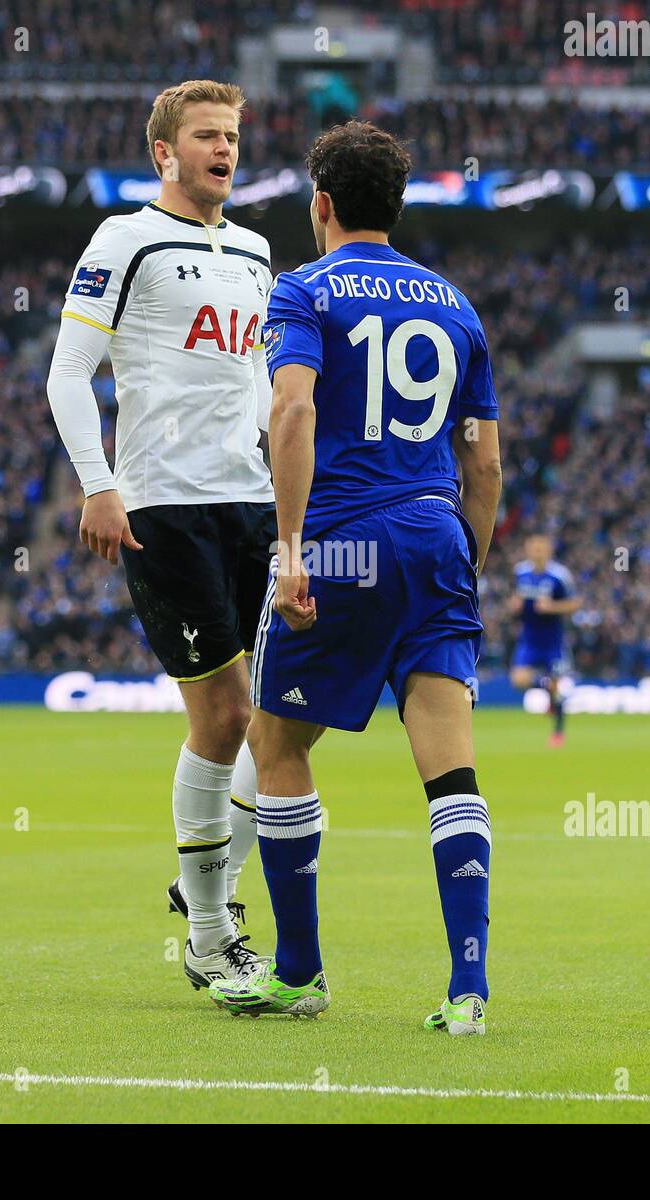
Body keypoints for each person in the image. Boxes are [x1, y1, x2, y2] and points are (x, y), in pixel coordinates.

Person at [208, 121, 503, 1035]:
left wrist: (292, 547)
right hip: (437, 535)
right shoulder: (456, 305)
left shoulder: (301, 291)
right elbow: (485, 465)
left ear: (322, 204)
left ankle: (299, 973)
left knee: (277, 743)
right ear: (397, 207)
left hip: (339, 543)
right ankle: (468, 990)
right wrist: (465, 564)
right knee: (451, 770)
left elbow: (291, 410)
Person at [45, 80, 275, 991]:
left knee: (283, 722)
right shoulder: (125, 241)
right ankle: (212, 932)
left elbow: (256, 379)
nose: (223, 149)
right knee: (224, 715)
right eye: (206, 136)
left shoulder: (258, 252)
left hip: (252, 504)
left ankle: (200, 884)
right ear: (164, 153)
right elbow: (69, 373)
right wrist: (100, 485)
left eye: (231, 135)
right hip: (164, 506)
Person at [509, 533, 581, 746]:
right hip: (529, 639)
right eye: (533, 549)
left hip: (553, 641)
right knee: (519, 680)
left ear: (549, 551)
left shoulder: (559, 575)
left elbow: (575, 603)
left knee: (557, 687)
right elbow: (514, 598)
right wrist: (514, 605)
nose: (536, 553)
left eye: (540, 549)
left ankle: (558, 732)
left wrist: (553, 607)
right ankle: (545, 686)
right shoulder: (520, 572)